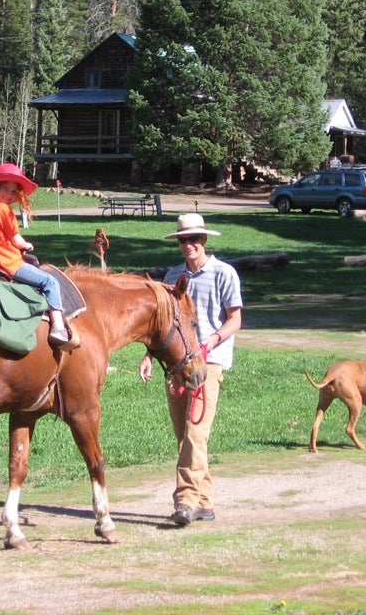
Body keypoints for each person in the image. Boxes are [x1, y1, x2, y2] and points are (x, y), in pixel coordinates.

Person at [139, 213, 243, 526]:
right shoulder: (173, 278)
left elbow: (235, 319)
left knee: (196, 432)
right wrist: (148, 355)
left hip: (208, 363)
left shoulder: (224, 274)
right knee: (185, 437)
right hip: (176, 365)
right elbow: (163, 327)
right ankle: (205, 502)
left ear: (204, 240)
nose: (189, 245)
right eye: (184, 240)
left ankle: (184, 501)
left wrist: (213, 340)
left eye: (194, 239)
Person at [0, 163, 72, 348]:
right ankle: (58, 326)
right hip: (8, 264)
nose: (9, 195)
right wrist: (27, 244)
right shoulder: (3, 210)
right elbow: (17, 241)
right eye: (5, 189)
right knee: (49, 282)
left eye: (14, 192)